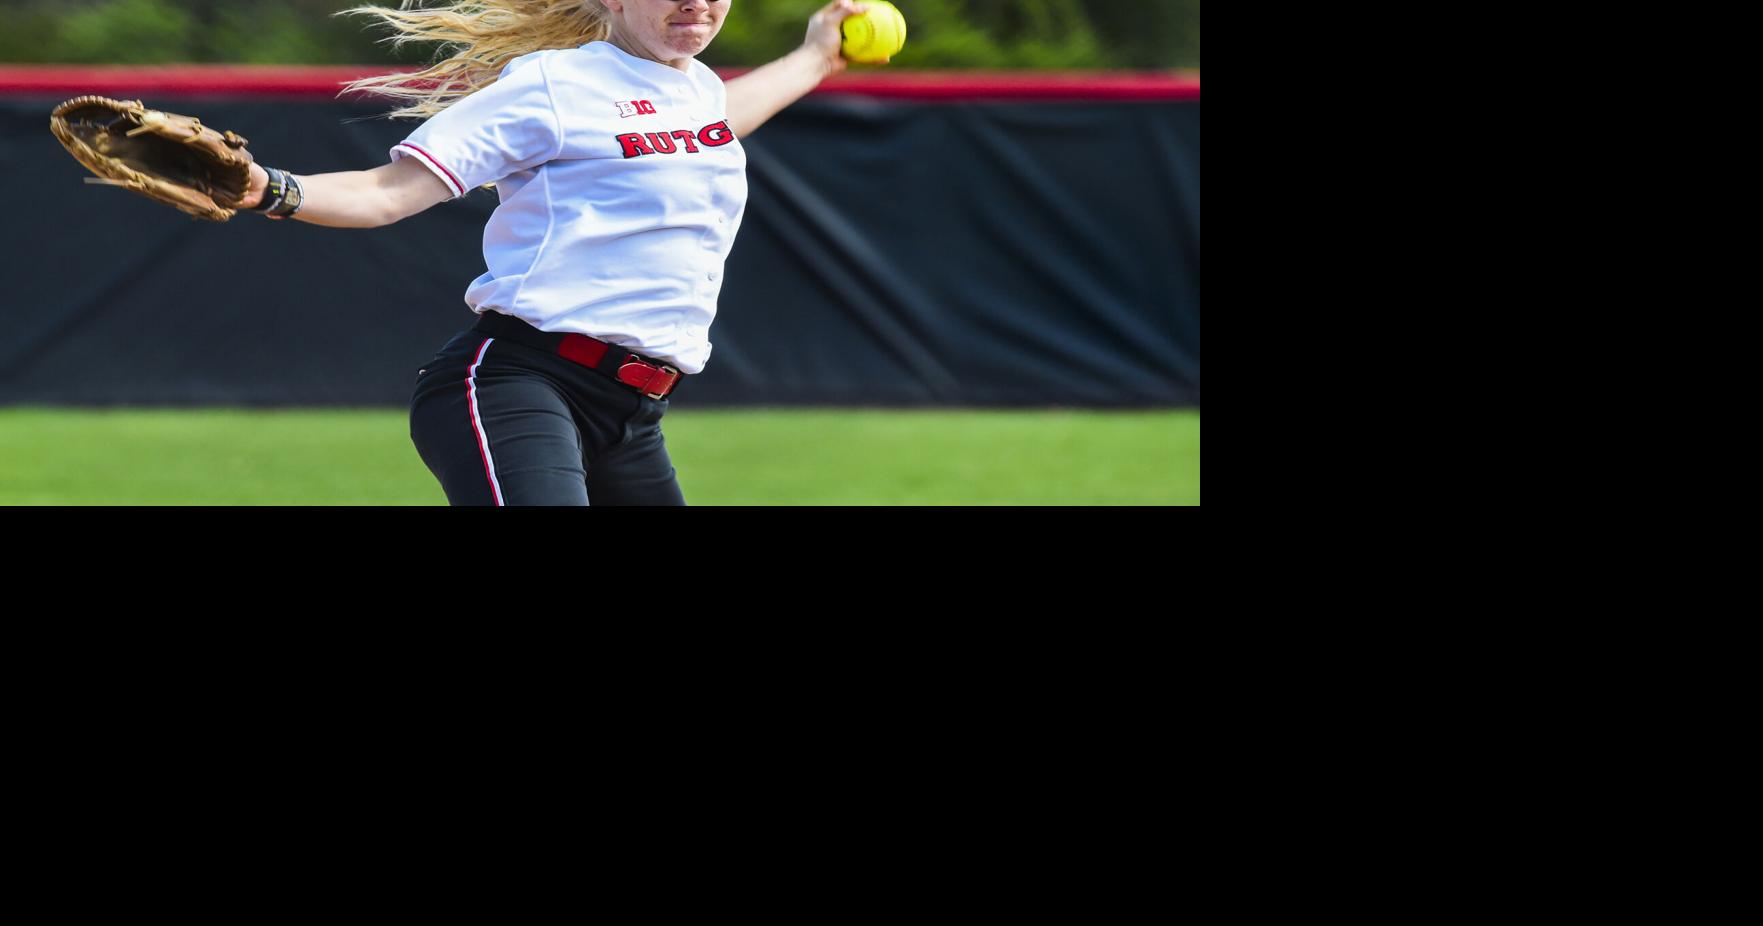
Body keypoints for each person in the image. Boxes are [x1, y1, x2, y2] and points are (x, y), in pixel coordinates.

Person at [237, 0, 877, 505]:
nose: (696, 2)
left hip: (632, 416)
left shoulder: (698, 94)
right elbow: (388, 192)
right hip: (520, 383)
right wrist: (268, 188)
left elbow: (728, 113)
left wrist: (817, 57)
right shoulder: (555, 85)